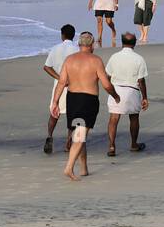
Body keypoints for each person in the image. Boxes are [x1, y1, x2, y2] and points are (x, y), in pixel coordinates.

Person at [50, 32, 119, 181]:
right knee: (80, 135)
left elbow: (61, 82)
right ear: (92, 44)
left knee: (78, 132)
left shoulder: (69, 60)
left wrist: (55, 102)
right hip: (87, 100)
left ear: (79, 44)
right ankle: (69, 167)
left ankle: (83, 168)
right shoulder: (96, 61)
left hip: (72, 99)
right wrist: (115, 96)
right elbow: (106, 84)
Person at [104, 32, 149, 156]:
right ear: (134, 44)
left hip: (116, 89)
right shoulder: (139, 58)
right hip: (132, 91)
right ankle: (134, 144)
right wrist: (145, 97)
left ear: (122, 43)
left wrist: (110, 90)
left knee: (113, 119)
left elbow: (107, 76)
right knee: (134, 118)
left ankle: (112, 146)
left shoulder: (114, 57)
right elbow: (141, 80)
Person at [42, 24, 78, 154]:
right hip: (73, 85)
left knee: (54, 112)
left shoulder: (55, 48)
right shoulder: (77, 49)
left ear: (62, 35)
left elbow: (47, 67)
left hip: (58, 85)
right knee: (72, 114)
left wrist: (59, 78)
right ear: (74, 35)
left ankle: (50, 135)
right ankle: (69, 141)